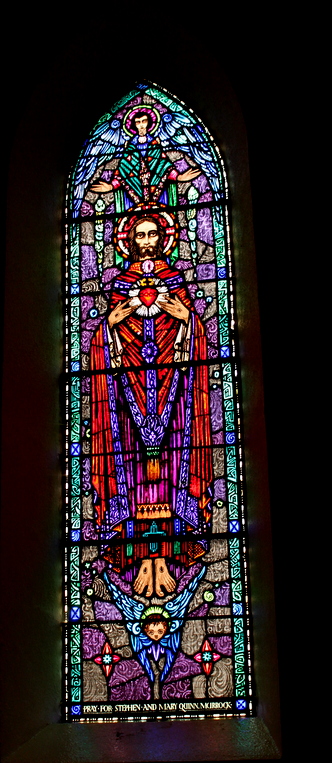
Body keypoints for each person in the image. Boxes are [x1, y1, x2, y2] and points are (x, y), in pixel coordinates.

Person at [90, 207, 213, 597]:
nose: (146, 242)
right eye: (139, 235)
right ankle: (131, 543)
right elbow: (100, 343)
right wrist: (109, 326)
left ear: (163, 239)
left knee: (175, 452)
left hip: (173, 387)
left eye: (151, 235)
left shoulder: (176, 281)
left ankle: (174, 541)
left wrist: (187, 321)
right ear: (130, 241)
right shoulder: (119, 286)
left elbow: (196, 334)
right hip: (128, 393)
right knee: (128, 454)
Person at [91, 107, 200, 204]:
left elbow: (163, 165)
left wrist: (179, 177)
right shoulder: (130, 147)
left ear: (149, 123)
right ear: (134, 125)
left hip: (158, 192)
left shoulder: (155, 145)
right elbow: (124, 170)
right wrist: (111, 186)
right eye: (138, 122)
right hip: (134, 194)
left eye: (144, 121)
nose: (141, 125)